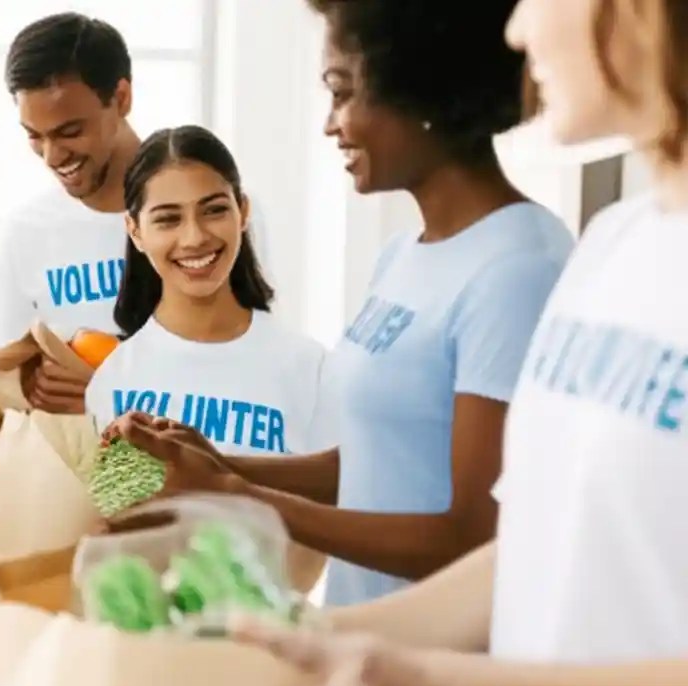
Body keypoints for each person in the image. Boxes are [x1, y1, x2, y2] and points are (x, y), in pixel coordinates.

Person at [107, 0, 575, 608]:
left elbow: (472, 536)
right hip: (364, 641)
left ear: (419, 89)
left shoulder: (518, 267)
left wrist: (233, 494)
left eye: (343, 92)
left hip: (444, 667)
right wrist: (219, 463)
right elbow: (378, 462)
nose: (332, 124)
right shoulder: (403, 253)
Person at [86, 124, 335, 589]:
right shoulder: (113, 381)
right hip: (145, 647)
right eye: (167, 219)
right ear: (135, 231)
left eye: (214, 210)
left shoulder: (310, 369)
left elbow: (329, 526)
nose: (195, 237)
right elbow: (114, 533)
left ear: (242, 212)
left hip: (273, 644)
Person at [0, 12, 141, 414]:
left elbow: (244, 366)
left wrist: (109, 394)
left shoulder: (206, 211)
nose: (52, 156)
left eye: (70, 132)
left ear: (121, 98)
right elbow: (8, 386)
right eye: (34, 136)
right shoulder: (25, 231)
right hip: (62, 467)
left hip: (183, 470)